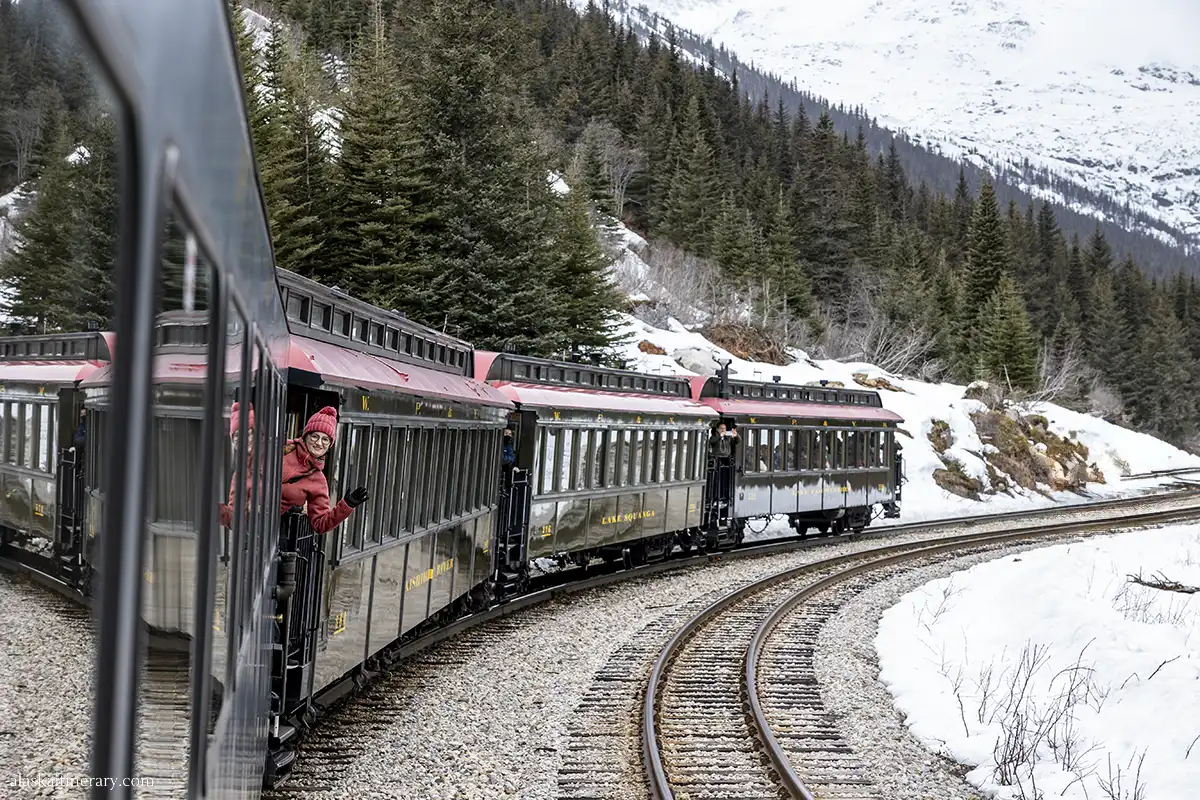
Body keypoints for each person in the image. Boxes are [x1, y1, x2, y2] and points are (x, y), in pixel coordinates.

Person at [279, 406, 368, 534]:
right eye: (315, 436)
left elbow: (320, 524)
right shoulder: (282, 447)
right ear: (305, 436)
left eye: (325, 439)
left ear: (330, 445)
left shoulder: (318, 481)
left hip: (262, 530)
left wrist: (346, 506)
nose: (319, 443)